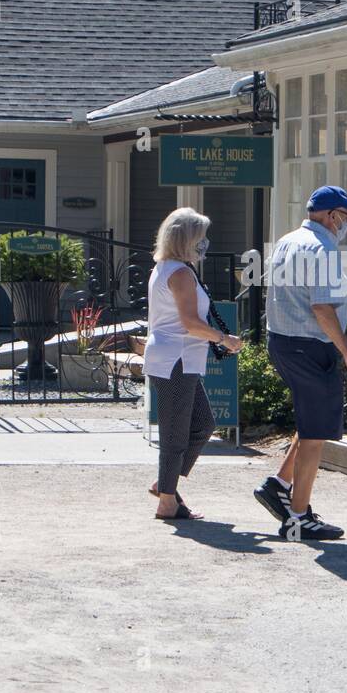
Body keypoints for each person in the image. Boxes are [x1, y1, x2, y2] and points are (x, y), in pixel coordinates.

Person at [253, 186, 347, 540]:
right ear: (332, 216)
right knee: (317, 433)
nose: (346, 224)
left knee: (312, 420)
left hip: (281, 340)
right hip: (310, 346)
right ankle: (298, 517)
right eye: (346, 217)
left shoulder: (286, 241)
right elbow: (322, 308)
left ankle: (280, 483)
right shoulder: (325, 249)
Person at [144, 208, 244, 520]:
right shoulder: (181, 273)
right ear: (187, 239)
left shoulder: (168, 268)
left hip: (179, 359)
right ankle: (167, 501)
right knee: (175, 432)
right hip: (176, 358)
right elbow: (190, 322)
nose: (204, 244)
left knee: (202, 424)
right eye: (200, 238)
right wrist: (223, 338)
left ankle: (165, 483)